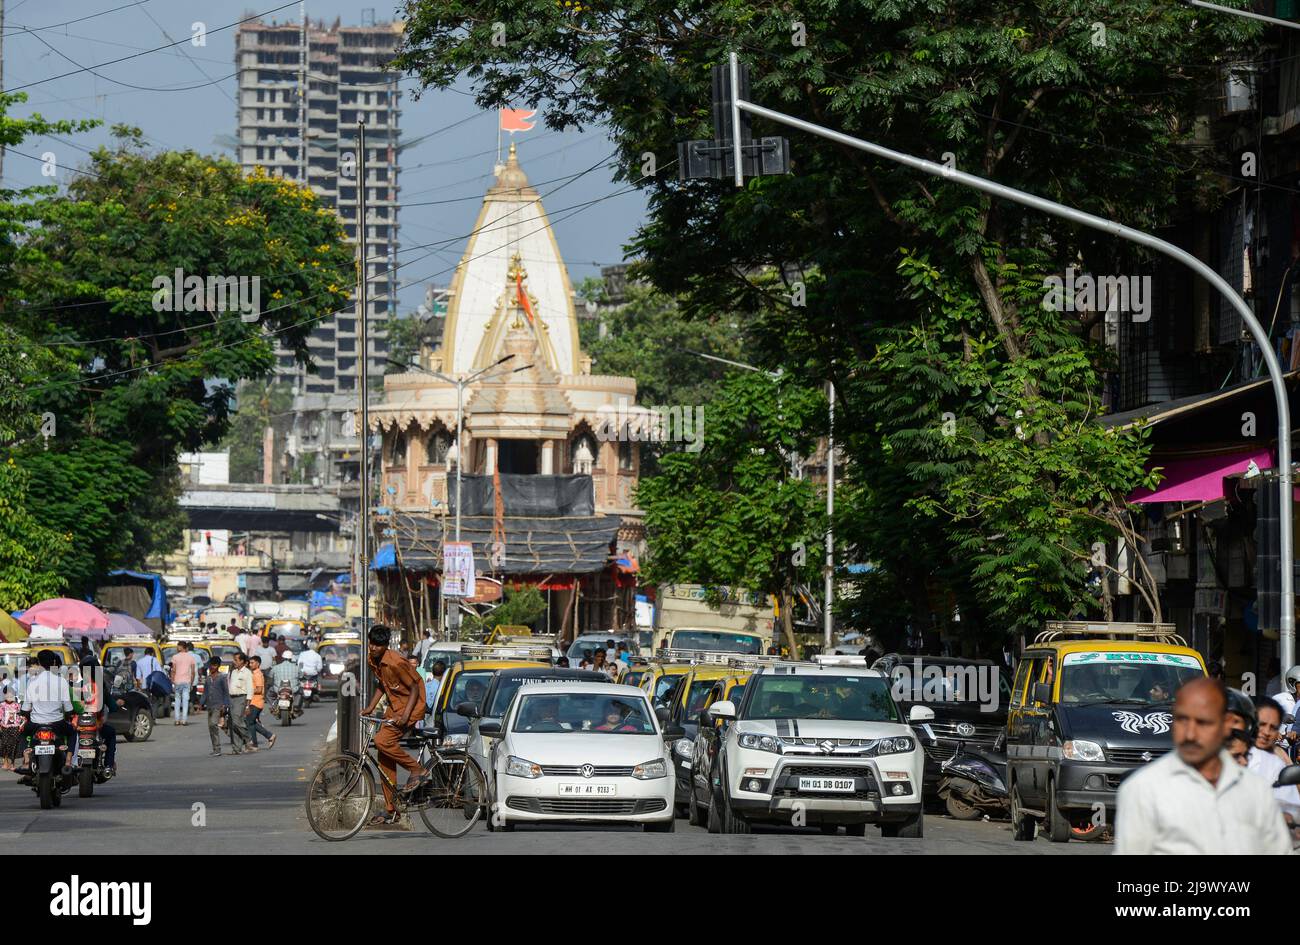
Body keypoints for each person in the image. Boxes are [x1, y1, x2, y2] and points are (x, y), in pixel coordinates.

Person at [1114, 678, 1291, 854]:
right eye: (1182, 720)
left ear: (1225, 725)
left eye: (1203, 722)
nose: (1190, 734)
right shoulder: (1143, 789)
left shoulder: (1256, 790)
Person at [361, 624, 429, 827]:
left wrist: (406, 715)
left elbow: (415, 688)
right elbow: (383, 684)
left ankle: (418, 769)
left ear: (385, 645)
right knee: (384, 756)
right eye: (371, 643)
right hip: (395, 706)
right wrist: (370, 707)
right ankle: (392, 810)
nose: (373, 648)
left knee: (381, 740)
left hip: (411, 706)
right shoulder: (372, 659)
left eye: (377, 645)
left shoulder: (396, 662)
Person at [1249, 697, 1300, 830]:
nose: (1266, 732)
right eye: (1262, 724)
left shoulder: (1277, 760)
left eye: (1273, 728)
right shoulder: (1226, 751)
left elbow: (1292, 806)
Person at [19, 650, 75, 770]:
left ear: (39, 663)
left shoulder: (32, 682)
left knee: (23, 733)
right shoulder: (62, 681)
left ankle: (27, 759)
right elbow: (69, 709)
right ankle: (69, 761)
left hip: (36, 724)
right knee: (72, 732)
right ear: (54, 662)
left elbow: (25, 709)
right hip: (57, 724)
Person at [202, 658, 233, 756]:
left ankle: (218, 749)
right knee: (210, 727)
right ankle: (215, 748)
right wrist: (200, 703)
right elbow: (205, 692)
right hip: (210, 706)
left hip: (218, 706)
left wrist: (225, 704)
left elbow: (226, 692)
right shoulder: (208, 678)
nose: (212, 667)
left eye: (214, 665)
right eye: (211, 665)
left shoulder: (222, 678)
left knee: (213, 724)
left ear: (218, 666)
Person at [226, 652, 254, 754]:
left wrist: (248, 705)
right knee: (232, 724)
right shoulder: (233, 672)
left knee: (237, 721)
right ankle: (236, 748)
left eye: (236, 660)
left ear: (242, 661)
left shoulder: (247, 672)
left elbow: (250, 689)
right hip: (231, 698)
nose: (234, 662)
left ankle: (248, 738)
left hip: (241, 698)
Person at [245, 656, 275, 751]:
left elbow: (259, 689)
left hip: (256, 702)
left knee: (250, 722)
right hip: (254, 701)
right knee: (251, 722)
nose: (250, 664)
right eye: (250, 663)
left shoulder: (257, 674)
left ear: (258, 664)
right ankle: (269, 736)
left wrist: (247, 690)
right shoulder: (253, 673)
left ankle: (254, 744)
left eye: (252, 663)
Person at [170, 640, 198, 727]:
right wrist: (192, 683)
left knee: (177, 701)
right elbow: (193, 672)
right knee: (185, 701)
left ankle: (177, 720)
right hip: (187, 682)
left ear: (180, 647)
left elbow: (173, 670)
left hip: (177, 681)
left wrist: (172, 680)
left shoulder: (175, 657)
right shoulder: (191, 657)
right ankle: (184, 720)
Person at [268, 650, 300, 719]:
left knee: (269, 695)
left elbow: (270, 677)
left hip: (278, 689)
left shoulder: (275, 667)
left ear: (282, 658)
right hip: (293, 689)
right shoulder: (296, 668)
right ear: (291, 658)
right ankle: (296, 707)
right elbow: (301, 676)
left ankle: (273, 707)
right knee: (300, 693)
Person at [0, 685, 22, 770]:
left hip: (15, 727)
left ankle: (12, 763)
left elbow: (20, 715)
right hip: (5, 727)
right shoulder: (2, 705)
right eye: (7, 695)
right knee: (4, 744)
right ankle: (5, 761)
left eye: (11, 695)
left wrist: (21, 724)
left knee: (13, 745)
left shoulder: (17, 705)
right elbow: (0, 716)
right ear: (4, 695)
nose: (9, 697)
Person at [421, 661, 446, 729]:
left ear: (432, 672)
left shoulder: (425, 686)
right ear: (444, 674)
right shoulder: (442, 688)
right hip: (436, 719)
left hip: (423, 717)